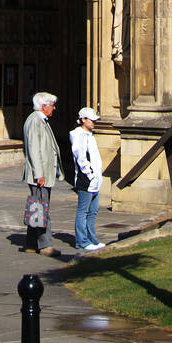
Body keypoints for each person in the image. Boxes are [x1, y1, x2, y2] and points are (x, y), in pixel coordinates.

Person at [22, 91, 63, 256]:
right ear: (44, 106)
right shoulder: (35, 121)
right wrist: (39, 173)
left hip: (43, 173)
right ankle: (45, 245)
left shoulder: (40, 120)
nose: (54, 108)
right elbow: (34, 149)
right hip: (40, 174)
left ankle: (31, 243)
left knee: (37, 206)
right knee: (41, 208)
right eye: (52, 105)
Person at [70, 108, 105, 252]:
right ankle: (82, 241)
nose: (94, 122)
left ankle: (92, 239)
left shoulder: (89, 134)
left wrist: (97, 175)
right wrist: (90, 175)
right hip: (86, 180)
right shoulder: (79, 135)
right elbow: (81, 157)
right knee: (83, 211)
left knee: (93, 211)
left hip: (95, 180)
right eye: (91, 120)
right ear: (83, 119)